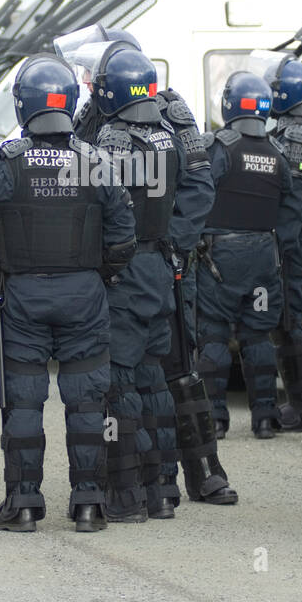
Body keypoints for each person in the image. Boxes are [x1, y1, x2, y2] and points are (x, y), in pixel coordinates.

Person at [0, 55, 136, 532]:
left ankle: (22, 504)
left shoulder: (2, 164)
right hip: (84, 294)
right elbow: (124, 235)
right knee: (86, 403)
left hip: (23, 296)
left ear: (23, 106)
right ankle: (88, 504)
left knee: (23, 402)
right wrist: (98, 275)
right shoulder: (97, 162)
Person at [90, 45, 224, 520]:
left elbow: (101, 206)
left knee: (126, 382)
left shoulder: (129, 131)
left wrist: (171, 244)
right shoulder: (157, 130)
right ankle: (163, 488)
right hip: (158, 269)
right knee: (154, 380)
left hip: (136, 270)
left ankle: (131, 492)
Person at [196, 71, 302, 439]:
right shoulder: (278, 152)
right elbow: (294, 206)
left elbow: (198, 195)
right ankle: (264, 418)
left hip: (219, 259)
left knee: (213, 336)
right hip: (263, 257)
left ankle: (214, 419)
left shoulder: (219, 146)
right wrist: (277, 246)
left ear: (229, 104)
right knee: (257, 336)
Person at [258, 55, 302, 431]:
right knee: (287, 321)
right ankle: (301, 402)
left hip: (297, 239)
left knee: (293, 321)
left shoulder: (297, 138)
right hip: (301, 235)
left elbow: (295, 197)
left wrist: (278, 244)